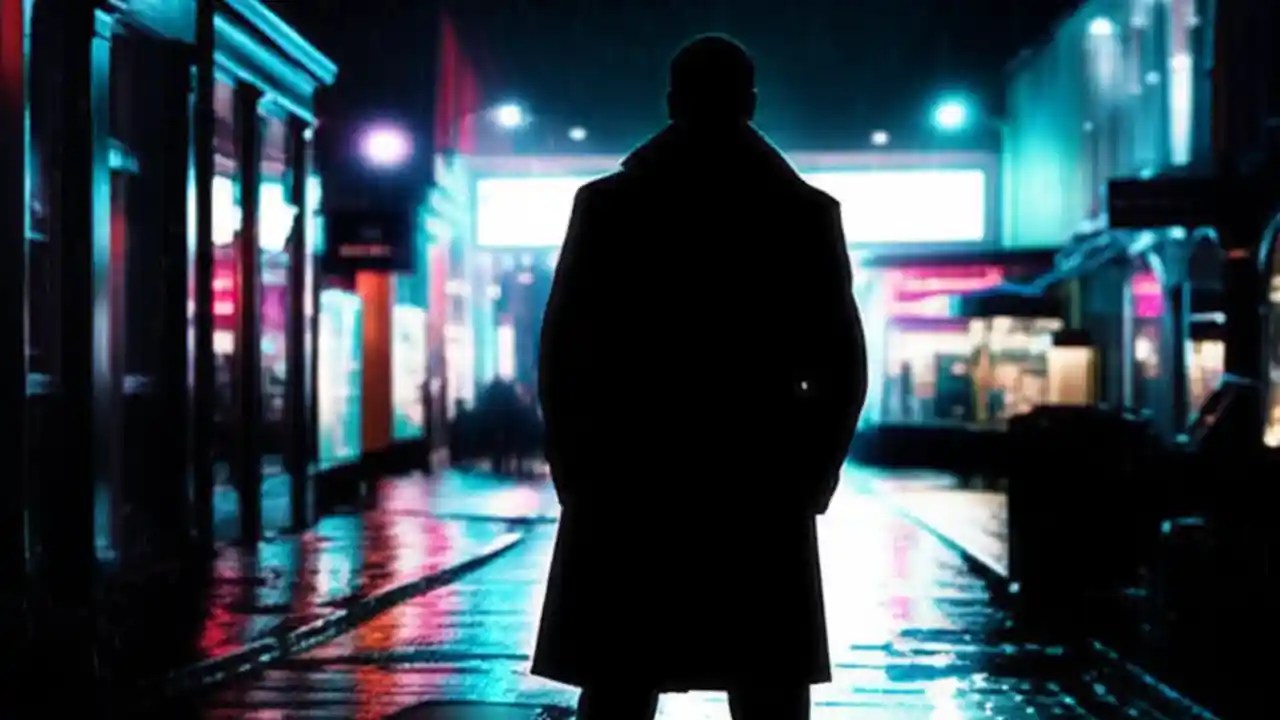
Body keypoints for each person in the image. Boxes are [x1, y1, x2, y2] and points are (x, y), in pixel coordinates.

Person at [532, 34, 868, 720]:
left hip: (631, 473)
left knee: (621, 677)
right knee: (767, 682)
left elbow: (564, 353)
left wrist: (576, 466)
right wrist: (812, 471)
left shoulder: (608, 206)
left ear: (671, 101)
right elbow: (841, 364)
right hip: (759, 478)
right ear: (750, 102)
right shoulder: (804, 213)